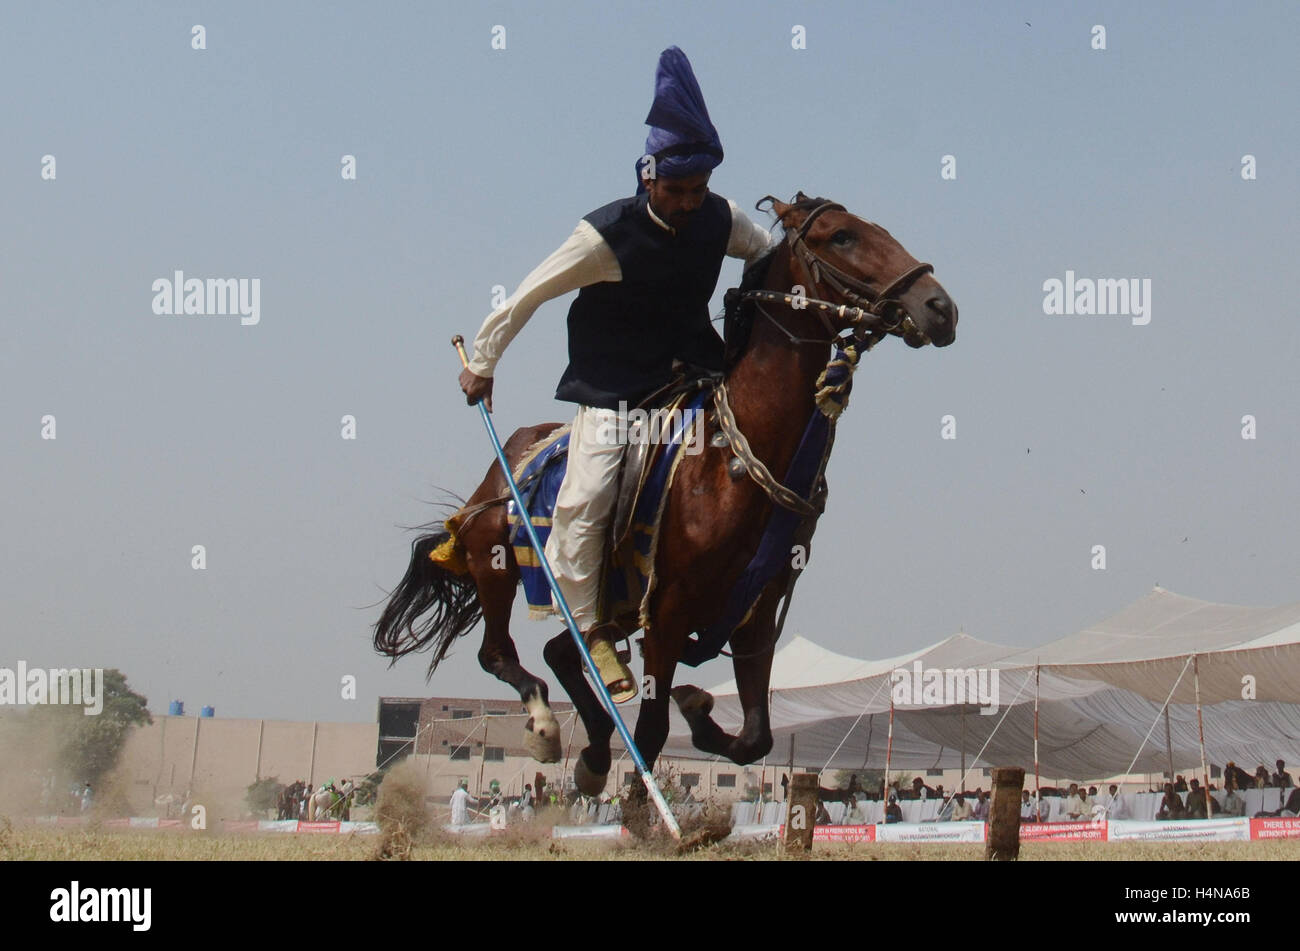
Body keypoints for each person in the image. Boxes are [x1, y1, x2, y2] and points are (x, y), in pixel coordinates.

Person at [458, 47, 774, 703]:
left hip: (697, 375)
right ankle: (590, 629)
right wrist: (484, 361)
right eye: (677, 190)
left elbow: (771, 256)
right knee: (587, 491)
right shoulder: (605, 236)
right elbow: (529, 293)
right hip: (617, 387)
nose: (689, 204)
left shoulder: (721, 219)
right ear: (648, 179)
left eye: (699, 190)